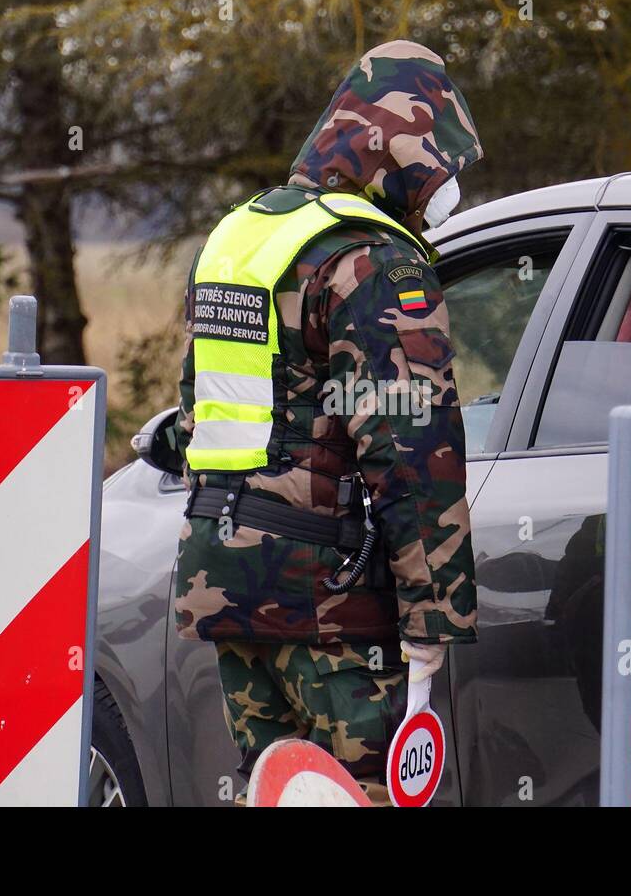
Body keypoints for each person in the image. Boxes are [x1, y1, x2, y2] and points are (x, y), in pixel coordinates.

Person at [172, 40, 480, 803]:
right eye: (440, 160)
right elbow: (412, 450)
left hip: (226, 587)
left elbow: (195, 417)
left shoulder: (239, 238)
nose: (444, 184)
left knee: (274, 790)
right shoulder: (372, 260)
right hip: (330, 608)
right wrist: (432, 617)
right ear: (398, 148)